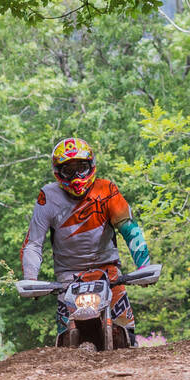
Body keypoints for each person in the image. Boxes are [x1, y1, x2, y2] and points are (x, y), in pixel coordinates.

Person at [21, 137, 151, 346]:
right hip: (68, 278)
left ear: (91, 166)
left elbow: (130, 229)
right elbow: (34, 243)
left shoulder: (107, 190)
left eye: (81, 168)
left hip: (108, 272)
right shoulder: (48, 196)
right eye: (68, 170)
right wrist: (30, 278)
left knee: (126, 332)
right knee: (64, 339)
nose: (76, 176)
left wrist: (144, 266)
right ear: (58, 172)